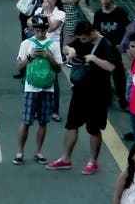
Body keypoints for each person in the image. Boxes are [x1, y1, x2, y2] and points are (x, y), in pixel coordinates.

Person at [46, 21, 116, 174]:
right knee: (71, 125)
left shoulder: (105, 45)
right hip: (80, 91)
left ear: (92, 34)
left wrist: (94, 59)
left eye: (84, 39)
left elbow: (111, 67)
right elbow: (67, 46)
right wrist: (69, 49)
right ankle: (65, 158)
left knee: (93, 128)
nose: (82, 41)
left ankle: (93, 161)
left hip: (98, 93)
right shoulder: (81, 39)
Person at [12, 13, 63, 165]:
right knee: (26, 121)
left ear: (47, 28)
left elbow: (58, 68)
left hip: (47, 88)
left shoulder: (53, 45)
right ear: (33, 29)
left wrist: (48, 56)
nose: (40, 32)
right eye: (37, 29)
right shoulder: (26, 44)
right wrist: (30, 57)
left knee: (43, 121)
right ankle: (20, 151)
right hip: (31, 88)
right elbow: (19, 65)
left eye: (42, 29)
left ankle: (38, 151)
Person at [93, 0, 130, 109]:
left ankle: (123, 101)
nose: (104, 0)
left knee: (118, 75)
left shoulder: (120, 12)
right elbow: (95, 31)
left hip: (115, 49)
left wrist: (122, 44)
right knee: (103, 76)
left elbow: (127, 30)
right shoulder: (98, 14)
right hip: (103, 49)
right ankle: (106, 98)